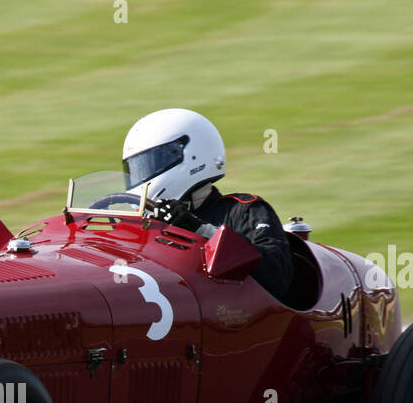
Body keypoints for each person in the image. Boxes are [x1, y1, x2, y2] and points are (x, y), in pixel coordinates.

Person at [123, 108, 293, 298]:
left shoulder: (243, 210)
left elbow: (277, 277)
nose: (143, 174)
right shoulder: (146, 223)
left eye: (155, 162)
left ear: (195, 155)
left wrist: (198, 229)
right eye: (137, 168)